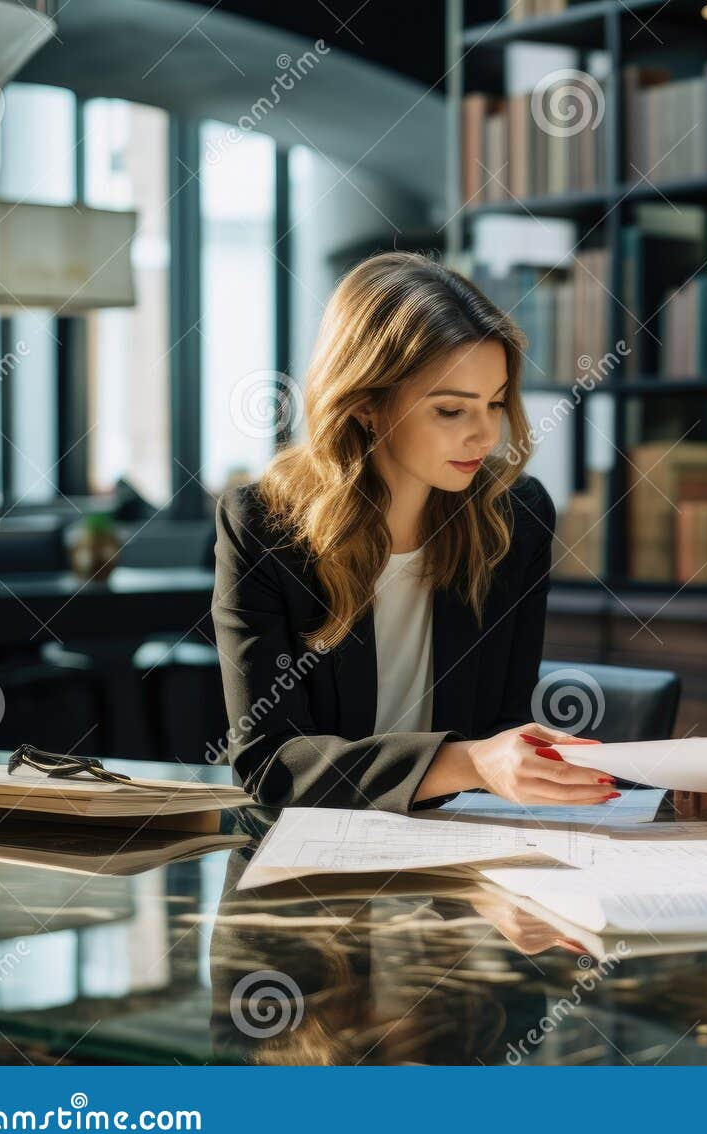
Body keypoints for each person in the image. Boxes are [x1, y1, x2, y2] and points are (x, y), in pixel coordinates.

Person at [211, 252, 610, 812]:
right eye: (451, 410)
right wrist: (471, 762)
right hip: (311, 862)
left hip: (454, 842)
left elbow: (502, 721)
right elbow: (271, 763)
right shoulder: (264, 526)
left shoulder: (515, 516)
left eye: (494, 404)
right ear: (367, 404)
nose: (485, 436)